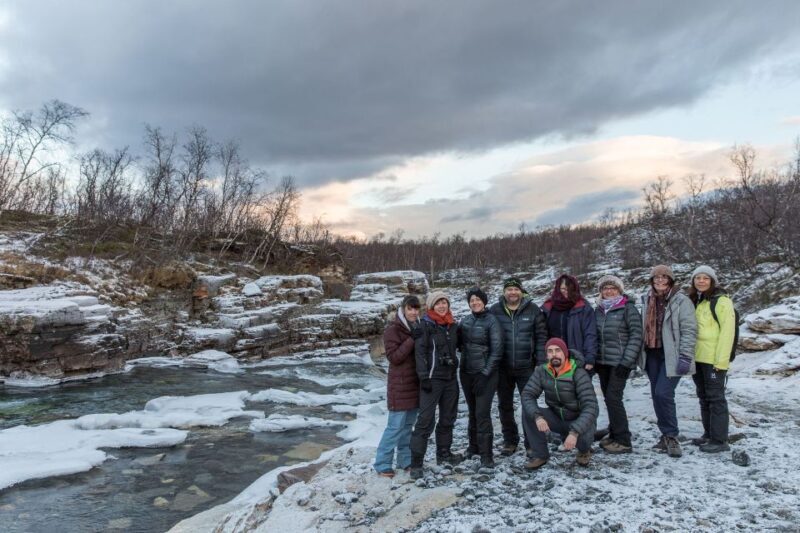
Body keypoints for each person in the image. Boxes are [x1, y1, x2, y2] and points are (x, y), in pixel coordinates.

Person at [638, 265, 697, 458]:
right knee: (656, 394)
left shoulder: (681, 300)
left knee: (664, 393)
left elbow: (689, 330)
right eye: (656, 278)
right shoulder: (647, 299)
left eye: (664, 278)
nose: (660, 281)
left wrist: (686, 356)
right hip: (652, 354)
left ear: (670, 280)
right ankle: (665, 436)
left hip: (671, 354)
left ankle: (672, 435)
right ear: (652, 280)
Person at [489, 277, 547, 457]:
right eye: (509, 289)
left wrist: (540, 363)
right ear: (504, 292)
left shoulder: (533, 309)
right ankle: (510, 440)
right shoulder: (495, 310)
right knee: (504, 405)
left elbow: (541, 337)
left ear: (521, 291)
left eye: (515, 289)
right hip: (503, 367)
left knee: (529, 405)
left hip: (526, 367)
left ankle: (531, 442)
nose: (512, 293)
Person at [521, 338, 598, 469]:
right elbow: (527, 395)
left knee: (583, 440)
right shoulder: (542, 371)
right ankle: (540, 455)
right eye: (550, 351)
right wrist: (538, 417)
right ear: (547, 355)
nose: (554, 354)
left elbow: (591, 407)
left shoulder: (578, 373)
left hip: (577, 419)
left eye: (558, 350)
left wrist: (574, 433)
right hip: (556, 416)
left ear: (565, 353)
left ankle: (584, 451)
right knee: (528, 413)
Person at [409, 291, 462, 479]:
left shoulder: (453, 325)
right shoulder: (425, 325)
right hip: (432, 379)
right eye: (438, 303)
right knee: (425, 421)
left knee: (448, 418)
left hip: (450, 378)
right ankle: (416, 463)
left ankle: (444, 454)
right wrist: (423, 377)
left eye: (444, 303)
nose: (442, 306)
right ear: (432, 306)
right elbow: (420, 353)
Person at [374, 295, 422, 477]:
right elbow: (394, 358)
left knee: (408, 427)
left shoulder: (418, 326)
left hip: (415, 385)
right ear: (403, 309)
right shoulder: (392, 330)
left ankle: (405, 460)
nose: (413, 312)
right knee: (394, 428)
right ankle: (382, 463)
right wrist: (411, 340)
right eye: (410, 309)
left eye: (416, 309)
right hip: (400, 387)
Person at [594, 275, 643, 454]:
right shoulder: (598, 310)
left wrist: (626, 362)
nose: (609, 291)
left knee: (614, 398)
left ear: (619, 291)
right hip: (603, 363)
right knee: (608, 398)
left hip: (620, 363)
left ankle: (623, 440)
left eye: (612, 288)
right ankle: (614, 433)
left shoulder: (627, 308)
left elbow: (636, 336)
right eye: (605, 288)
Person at [689, 265, 735, 453]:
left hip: (714, 359)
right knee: (703, 396)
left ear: (712, 281)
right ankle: (708, 434)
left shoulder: (722, 302)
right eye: (697, 278)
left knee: (716, 398)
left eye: (705, 278)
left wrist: (721, 362)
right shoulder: (699, 301)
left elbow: (727, 333)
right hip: (698, 358)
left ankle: (719, 440)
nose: (701, 281)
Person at [458, 287, 503, 467]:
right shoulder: (465, 321)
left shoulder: (492, 321)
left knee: (482, 413)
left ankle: (487, 455)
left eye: (478, 299)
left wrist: (485, 374)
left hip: (486, 374)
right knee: (472, 411)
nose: (475, 303)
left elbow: (497, 351)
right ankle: (473, 446)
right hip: (466, 373)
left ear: (484, 301)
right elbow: (458, 344)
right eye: (472, 300)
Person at [542, 274, 597, 371]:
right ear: (557, 288)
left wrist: (590, 357)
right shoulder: (548, 308)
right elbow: (541, 335)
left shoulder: (584, 308)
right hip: (554, 360)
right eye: (563, 288)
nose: (566, 292)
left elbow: (590, 334)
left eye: (569, 289)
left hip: (577, 359)